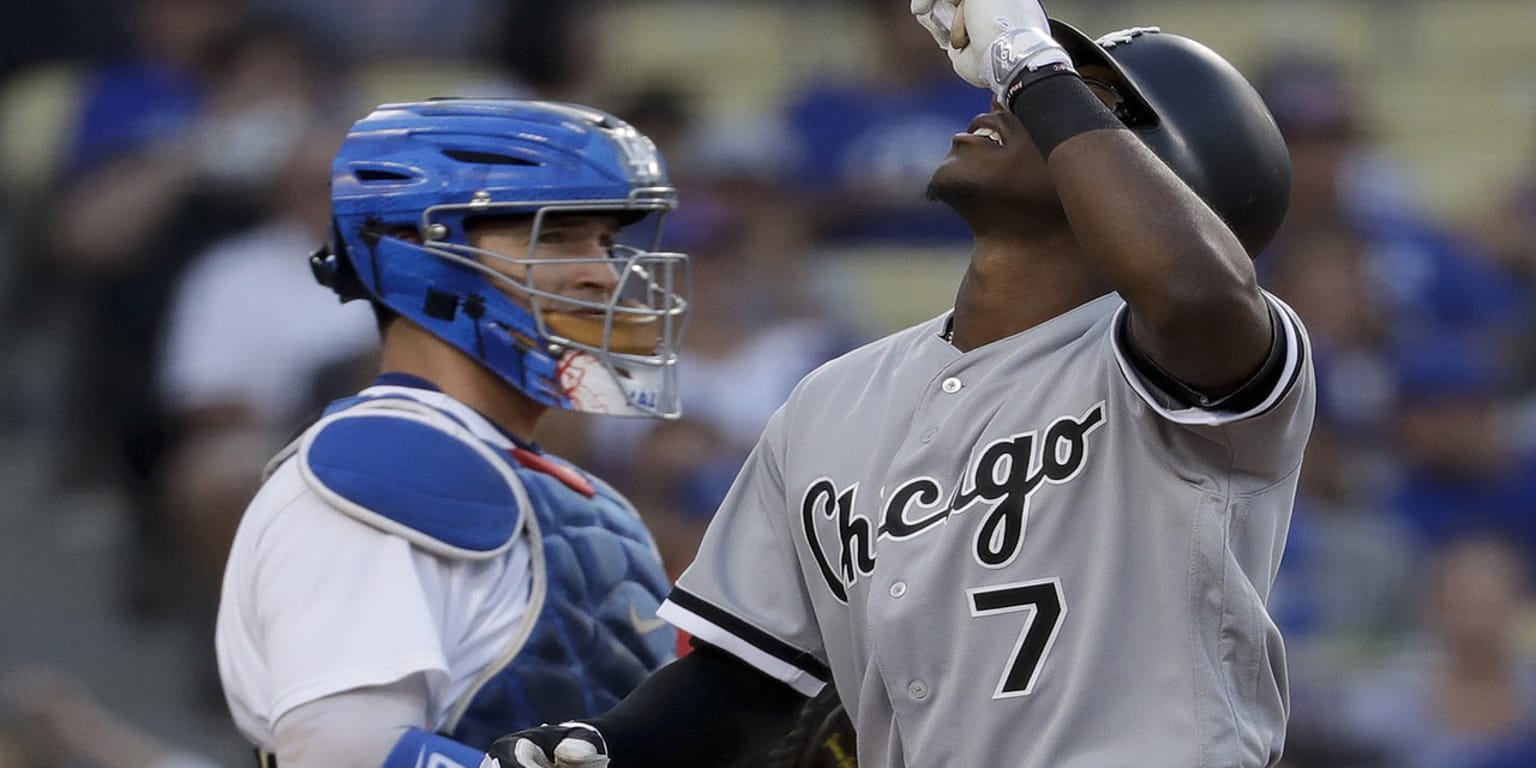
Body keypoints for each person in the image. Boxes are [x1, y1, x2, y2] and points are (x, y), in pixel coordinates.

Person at [485, 2, 1312, 768]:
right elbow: (757, 677)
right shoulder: (833, 397)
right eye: (1037, 82)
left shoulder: (1186, 359)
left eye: (1087, 97)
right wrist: (605, 748)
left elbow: (1197, 296)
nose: (1011, 95)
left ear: (1169, 180)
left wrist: (1032, 63)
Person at [215, 99, 689, 768]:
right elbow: (339, 755)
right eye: (555, 238)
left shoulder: (571, 495)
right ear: (415, 252)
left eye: (606, 242)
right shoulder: (385, 469)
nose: (605, 274)